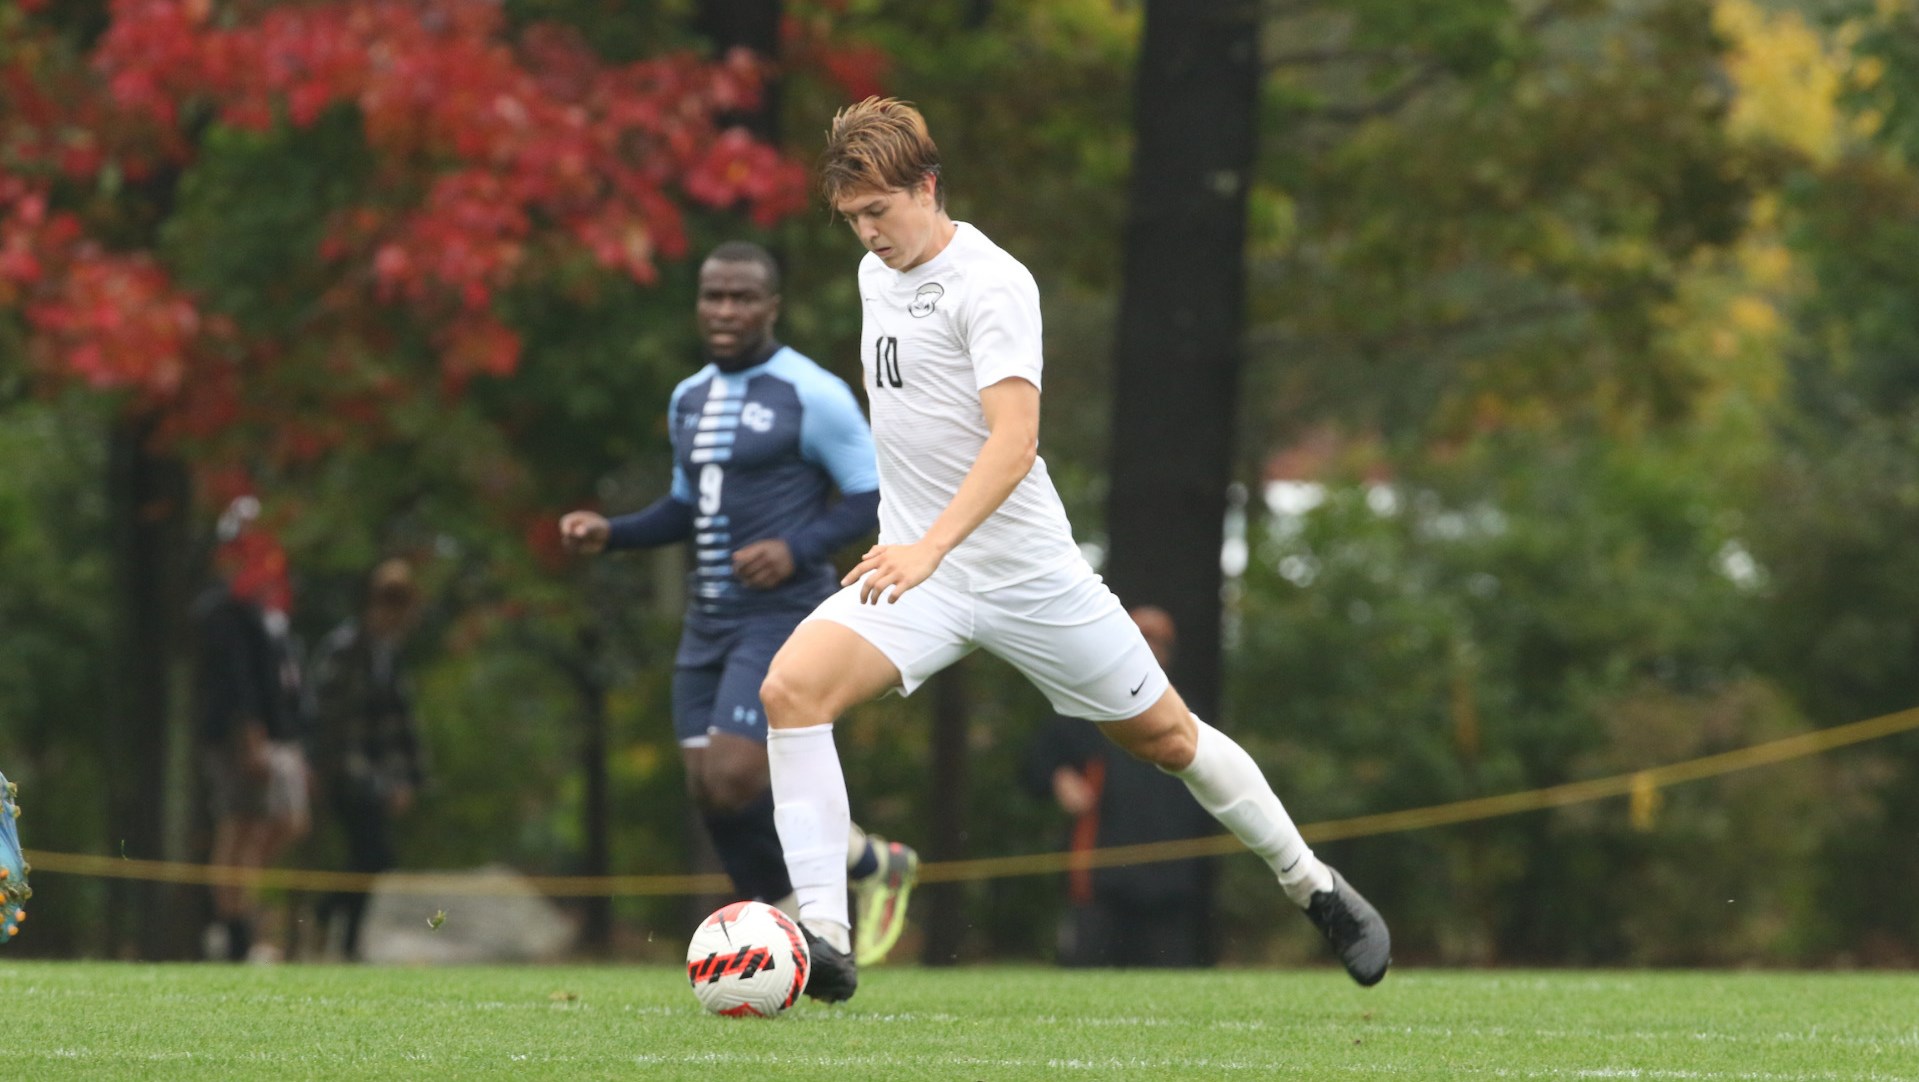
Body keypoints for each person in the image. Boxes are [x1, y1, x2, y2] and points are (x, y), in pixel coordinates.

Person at [760, 98, 1391, 1003]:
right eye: (852, 219)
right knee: (789, 691)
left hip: (1021, 575)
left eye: (879, 214)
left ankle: (1314, 887)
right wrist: (916, 545)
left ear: (927, 187)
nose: (867, 236)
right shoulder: (874, 276)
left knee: (1169, 739)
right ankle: (825, 934)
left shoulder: (995, 284)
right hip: (916, 571)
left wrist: (931, 546)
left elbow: (1012, 444)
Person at [559, 240, 919, 966]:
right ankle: (805, 940)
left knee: (735, 773)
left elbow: (871, 493)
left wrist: (796, 546)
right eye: (712, 297)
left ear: (771, 306)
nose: (725, 311)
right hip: (708, 620)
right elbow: (685, 508)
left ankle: (847, 865)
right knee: (709, 793)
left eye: (742, 297)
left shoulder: (808, 392)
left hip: (783, 614)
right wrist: (612, 532)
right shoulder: (688, 396)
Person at [1022, 605, 1216, 967]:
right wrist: (1060, 778)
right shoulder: (1086, 707)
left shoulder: (1190, 716)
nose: (1151, 645)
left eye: (1160, 640)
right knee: (1082, 986)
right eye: (1142, 636)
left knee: (1171, 991)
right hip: (1098, 884)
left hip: (1169, 887)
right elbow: (1037, 763)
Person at [192, 495, 311, 962]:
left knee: (268, 826)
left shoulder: (256, 609)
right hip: (238, 738)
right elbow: (236, 682)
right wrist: (251, 737)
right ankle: (231, 933)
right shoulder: (222, 610)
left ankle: (240, 919)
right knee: (237, 828)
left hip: (262, 735)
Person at [307, 557, 428, 961]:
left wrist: (403, 779)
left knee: (371, 858)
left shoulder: (385, 653)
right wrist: (318, 765)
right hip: (342, 771)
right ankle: (330, 923)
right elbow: (322, 714)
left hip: (373, 777)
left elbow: (397, 723)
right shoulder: (345, 648)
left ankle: (342, 936)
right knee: (373, 855)